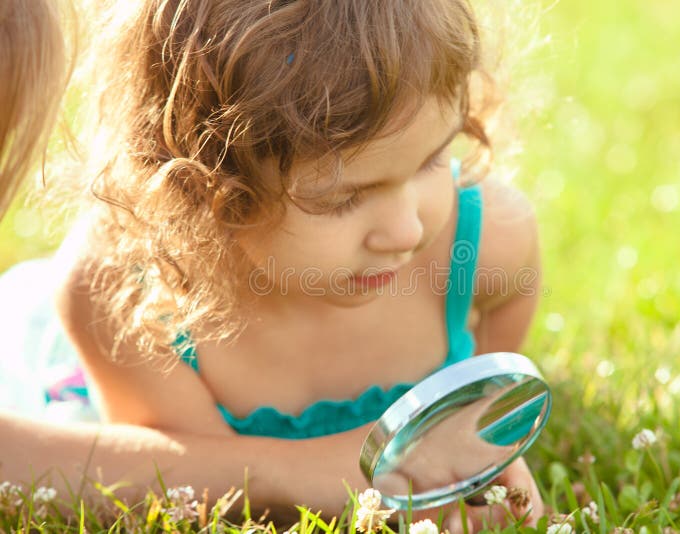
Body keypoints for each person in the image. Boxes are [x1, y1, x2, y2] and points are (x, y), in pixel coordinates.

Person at [4, 0, 545, 529]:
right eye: (343, 199)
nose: (407, 231)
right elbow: (198, 491)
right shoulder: (129, 311)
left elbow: (506, 325)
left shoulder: (483, 243)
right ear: (204, 188)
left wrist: (481, 419)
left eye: (432, 158)